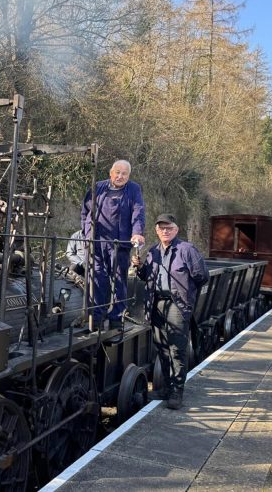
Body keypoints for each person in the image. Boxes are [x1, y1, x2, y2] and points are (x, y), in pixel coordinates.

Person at [131, 213, 208, 410]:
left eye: (169, 228)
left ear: (176, 229)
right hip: (156, 303)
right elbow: (146, 277)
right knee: (162, 347)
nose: (165, 231)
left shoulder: (186, 250)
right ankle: (166, 388)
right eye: (161, 228)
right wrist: (139, 267)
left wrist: (186, 295)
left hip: (177, 304)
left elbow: (202, 276)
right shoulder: (153, 251)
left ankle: (177, 392)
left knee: (177, 348)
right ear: (156, 230)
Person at [81, 159, 145, 330]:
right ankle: (95, 317)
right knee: (96, 278)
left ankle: (117, 316)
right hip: (96, 241)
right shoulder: (98, 187)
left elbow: (138, 212)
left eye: (124, 173)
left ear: (128, 176)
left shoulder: (134, 189)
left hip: (120, 242)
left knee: (118, 279)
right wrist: (86, 233)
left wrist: (137, 232)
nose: (120, 176)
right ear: (111, 173)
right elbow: (85, 212)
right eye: (117, 172)